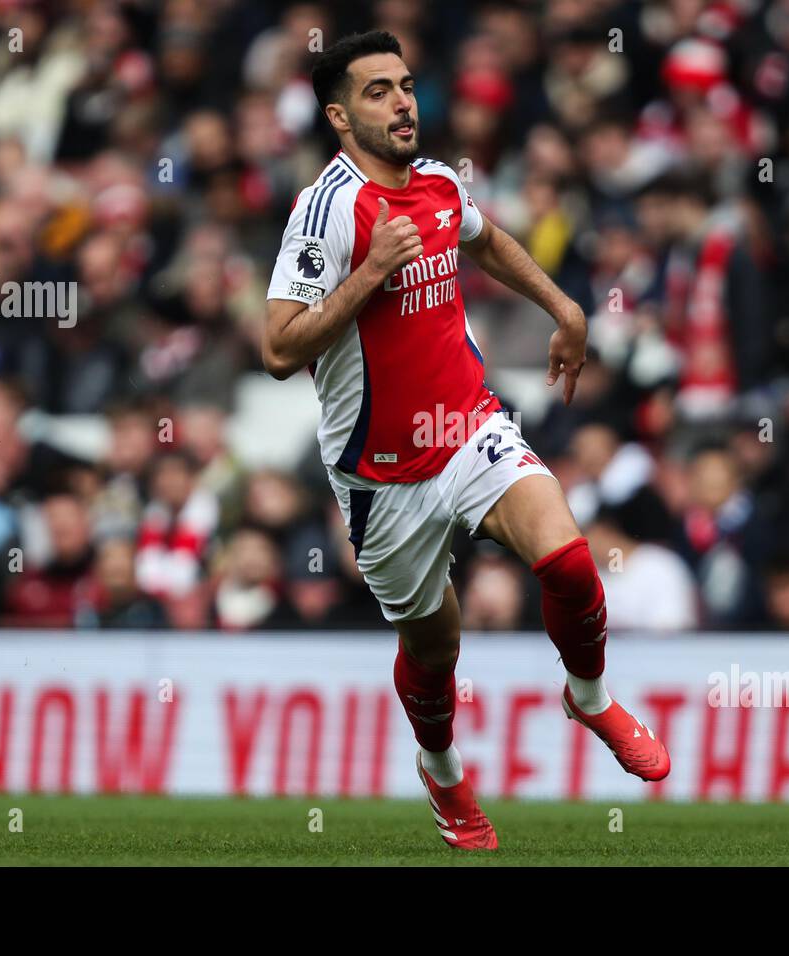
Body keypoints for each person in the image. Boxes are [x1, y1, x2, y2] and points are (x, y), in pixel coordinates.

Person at [263, 31, 669, 851]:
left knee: (567, 559)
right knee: (434, 645)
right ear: (339, 116)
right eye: (377, 91)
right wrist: (371, 271)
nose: (403, 101)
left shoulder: (442, 184)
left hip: (467, 427)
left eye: (407, 85)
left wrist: (565, 309)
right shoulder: (326, 209)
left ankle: (588, 697)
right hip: (381, 476)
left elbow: (484, 240)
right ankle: (442, 772)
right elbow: (278, 350)